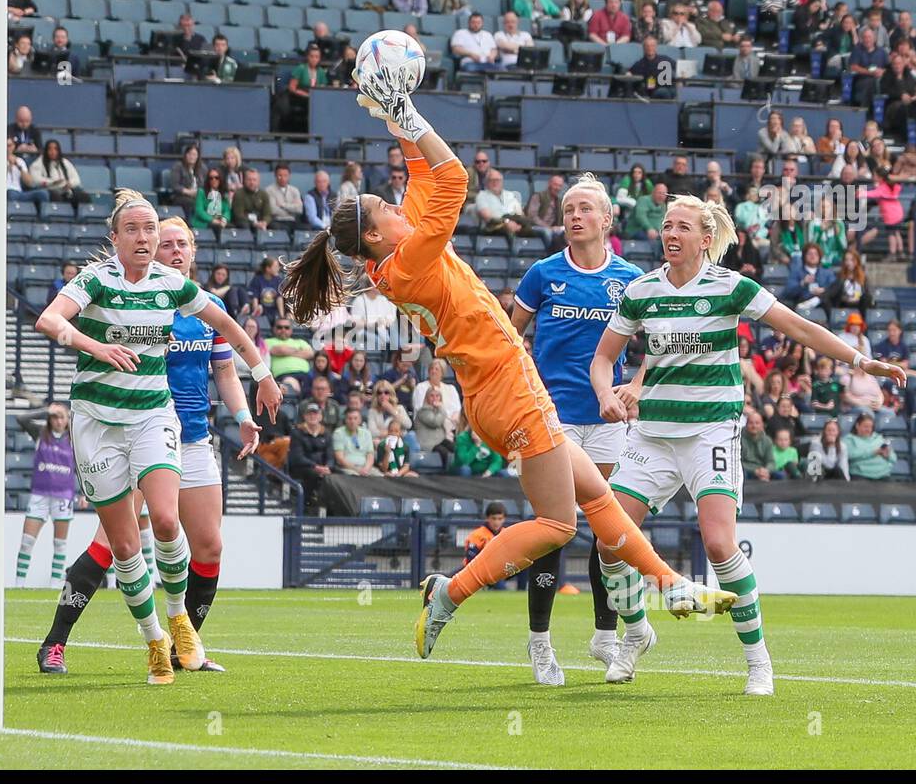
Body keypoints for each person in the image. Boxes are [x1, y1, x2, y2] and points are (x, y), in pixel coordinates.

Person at [281, 81, 734, 673]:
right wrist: (410, 113)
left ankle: (672, 585)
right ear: (373, 235)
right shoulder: (411, 256)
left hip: (499, 387)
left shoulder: (395, 253)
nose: (395, 206)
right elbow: (453, 179)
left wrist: (398, 122)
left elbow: (422, 175)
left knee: (597, 498)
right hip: (507, 386)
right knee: (556, 524)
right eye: (384, 209)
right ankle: (450, 593)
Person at [591, 192, 908, 694]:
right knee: (611, 541)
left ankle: (759, 662)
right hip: (650, 437)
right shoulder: (640, 290)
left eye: (683, 227)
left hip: (711, 431)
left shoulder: (731, 287)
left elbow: (798, 327)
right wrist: (606, 393)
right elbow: (604, 358)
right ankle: (636, 634)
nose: (671, 234)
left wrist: (859, 361)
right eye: (667, 225)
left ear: (706, 238)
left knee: (718, 543)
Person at [34, 191, 280, 684]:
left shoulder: (180, 293)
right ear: (116, 239)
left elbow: (227, 353)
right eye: (144, 232)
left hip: (168, 428)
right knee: (118, 546)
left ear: (191, 249)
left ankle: (183, 634)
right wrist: (97, 347)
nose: (158, 243)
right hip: (102, 422)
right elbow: (51, 318)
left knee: (189, 535)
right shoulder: (103, 284)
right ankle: (73, 641)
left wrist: (260, 380)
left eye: (168, 238)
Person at [509, 172, 644, 683]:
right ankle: (540, 643)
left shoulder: (630, 278)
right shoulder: (543, 274)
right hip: (552, 420)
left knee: (606, 532)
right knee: (553, 531)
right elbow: (508, 336)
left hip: (608, 421)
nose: (574, 215)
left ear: (606, 219)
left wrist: (634, 386)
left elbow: (653, 346)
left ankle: (604, 636)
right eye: (568, 209)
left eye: (585, 208)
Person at [11, 402, 82, 593]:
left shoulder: (74, 438)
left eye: (62, 417)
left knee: (59, 543)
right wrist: (45, 410)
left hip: (63, 497)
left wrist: (84, 492)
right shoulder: (41, 433)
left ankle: (55, 585)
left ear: (68, 419)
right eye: (55, 417)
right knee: (27, 541)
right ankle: (19, 584)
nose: (58, 421)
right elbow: (20, 419)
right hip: (39, 495)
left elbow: (83, 466)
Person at [289, 402, 333, 507]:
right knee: (313, 475)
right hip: (303, 467)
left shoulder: (327, 433)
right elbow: (298, 457)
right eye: (309, 414)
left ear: (320, 416)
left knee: (338, 474)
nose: (312, 416)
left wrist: (328, 467)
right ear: (304, 416)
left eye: (315, 414)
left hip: (322, 467)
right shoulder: (297, 432)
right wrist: (315, 466)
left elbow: (330, 455)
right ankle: (306, 504)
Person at [31, 139, 88, 205]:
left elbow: (76, 179)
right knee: (55, 196)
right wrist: (52, 182)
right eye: (50, 149)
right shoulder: (39, 163)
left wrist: (70, 183)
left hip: (66, 191)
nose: (53, 152)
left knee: (83, 196)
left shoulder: (65, 162)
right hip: (50, 190)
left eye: (55, 149)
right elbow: (35, 179)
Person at [267, 316, 314, 389]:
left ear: (291, 330)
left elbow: (310, 354)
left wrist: (286, 352)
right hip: (284, 375)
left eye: (286, 327)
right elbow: (280, 350)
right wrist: (299, 351)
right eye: (280, 327)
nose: (283, 330)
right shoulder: (268, 341)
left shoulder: (300, 341)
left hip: (306, 375)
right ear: (274, 329)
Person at [845, 413, 896, 480]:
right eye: (866, 426)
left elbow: (894, 459)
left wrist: (888, 455)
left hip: (883, 475)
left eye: (870, 427)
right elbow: (850, 455)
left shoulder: (879, 438)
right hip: (860, 475)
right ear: (857, 426)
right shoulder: (849, 439)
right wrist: (873, 452)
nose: (868, 429)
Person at [463, 503, 507, 574]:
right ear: (487, 518)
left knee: (524, 567)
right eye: (493, 518)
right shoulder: (477, 535)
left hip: (501, 568)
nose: (496, 522)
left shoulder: (506, 533)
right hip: (481, 570)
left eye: (500, 519)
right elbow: (470, 559)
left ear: (504, 519)